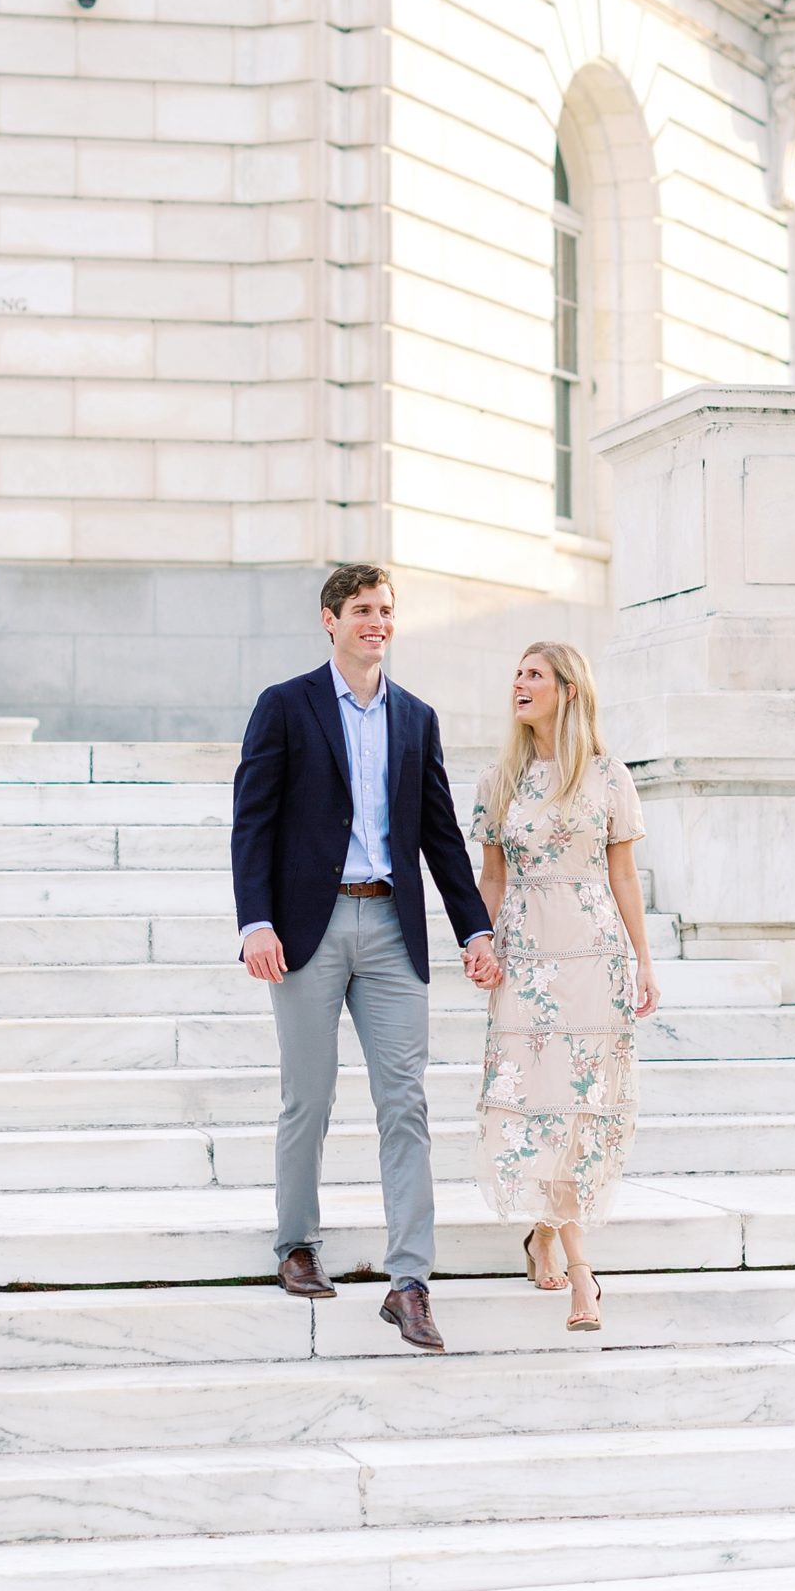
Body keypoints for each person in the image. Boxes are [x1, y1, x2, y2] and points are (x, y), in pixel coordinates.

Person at [231, 562, 504, 1353]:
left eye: (385, 610)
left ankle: (410, 1280)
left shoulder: (416, 717)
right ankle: (296, 1243)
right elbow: (252, 821)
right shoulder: (286, 706)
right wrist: (256, 922)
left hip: (391, 927)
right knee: (307, 1098)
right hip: (307, 931)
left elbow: (443, 839)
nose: (375, 622)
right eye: (360, 609)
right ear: (330, 619)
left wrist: (475, 930)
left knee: (405, 1105)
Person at [471, 641, 661, 1330]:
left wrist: (643, 960)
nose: (518, 684)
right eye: (516, 672)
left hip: (593, 957)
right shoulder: (500, 781)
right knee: (542, 1104)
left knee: (579, 1112)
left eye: (534, 675)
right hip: (526, 957)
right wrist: (480, 942)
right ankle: (584, 1278)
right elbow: (491, 876)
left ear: (568, 690)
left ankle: (546, 1233)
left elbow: (625, 877)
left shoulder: (610, 777)